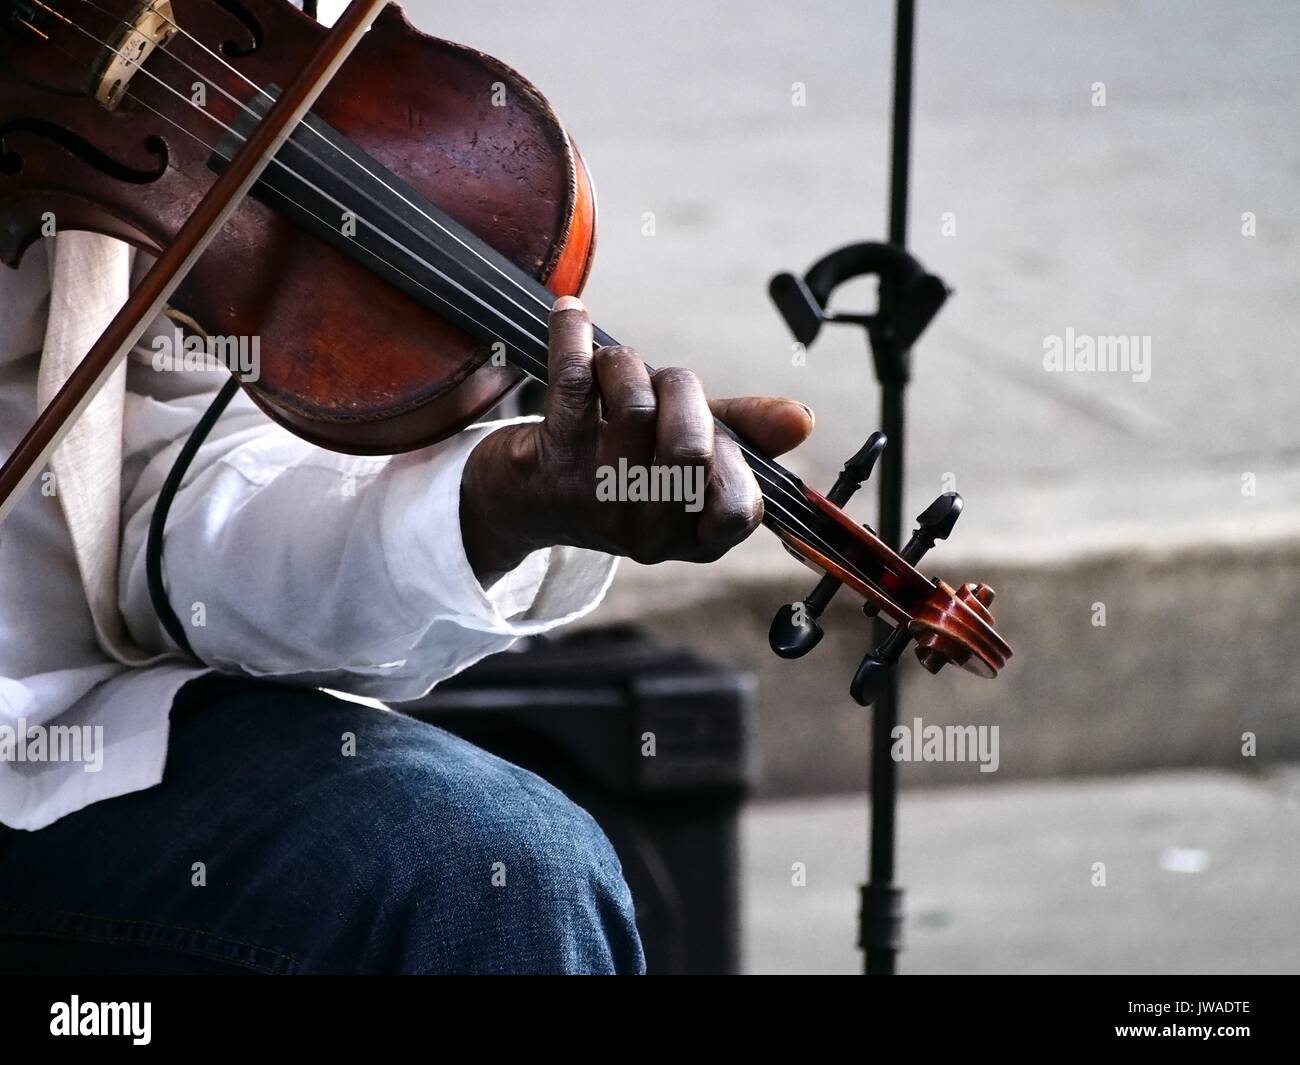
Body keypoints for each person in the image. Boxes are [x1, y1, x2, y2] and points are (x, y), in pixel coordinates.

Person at [0, 215, 811, 972]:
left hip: (50, 737)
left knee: (503, 874)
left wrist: (493, 501)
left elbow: (159, 495)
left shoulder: (92, 132)